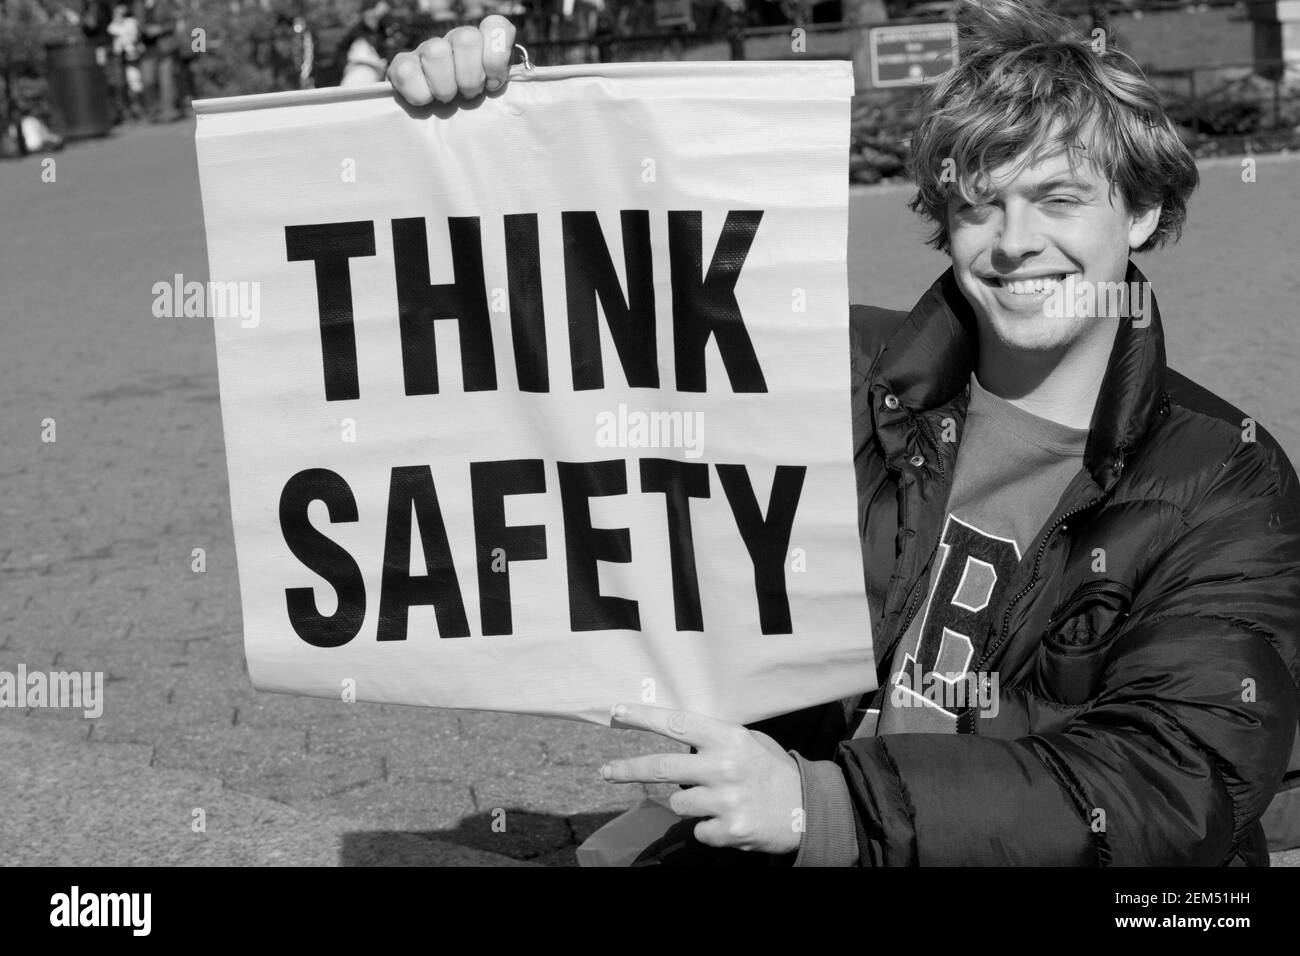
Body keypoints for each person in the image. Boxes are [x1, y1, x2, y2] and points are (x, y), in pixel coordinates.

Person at [386, 0, 1300, 865]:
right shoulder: (832, 368)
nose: (1015, 240)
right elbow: (605, 317)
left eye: (1059, 199)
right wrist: (492, 124)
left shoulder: (1223, 473)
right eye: (980, 203)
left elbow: (1170, 778)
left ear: (1140, 211)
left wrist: (821, 808)